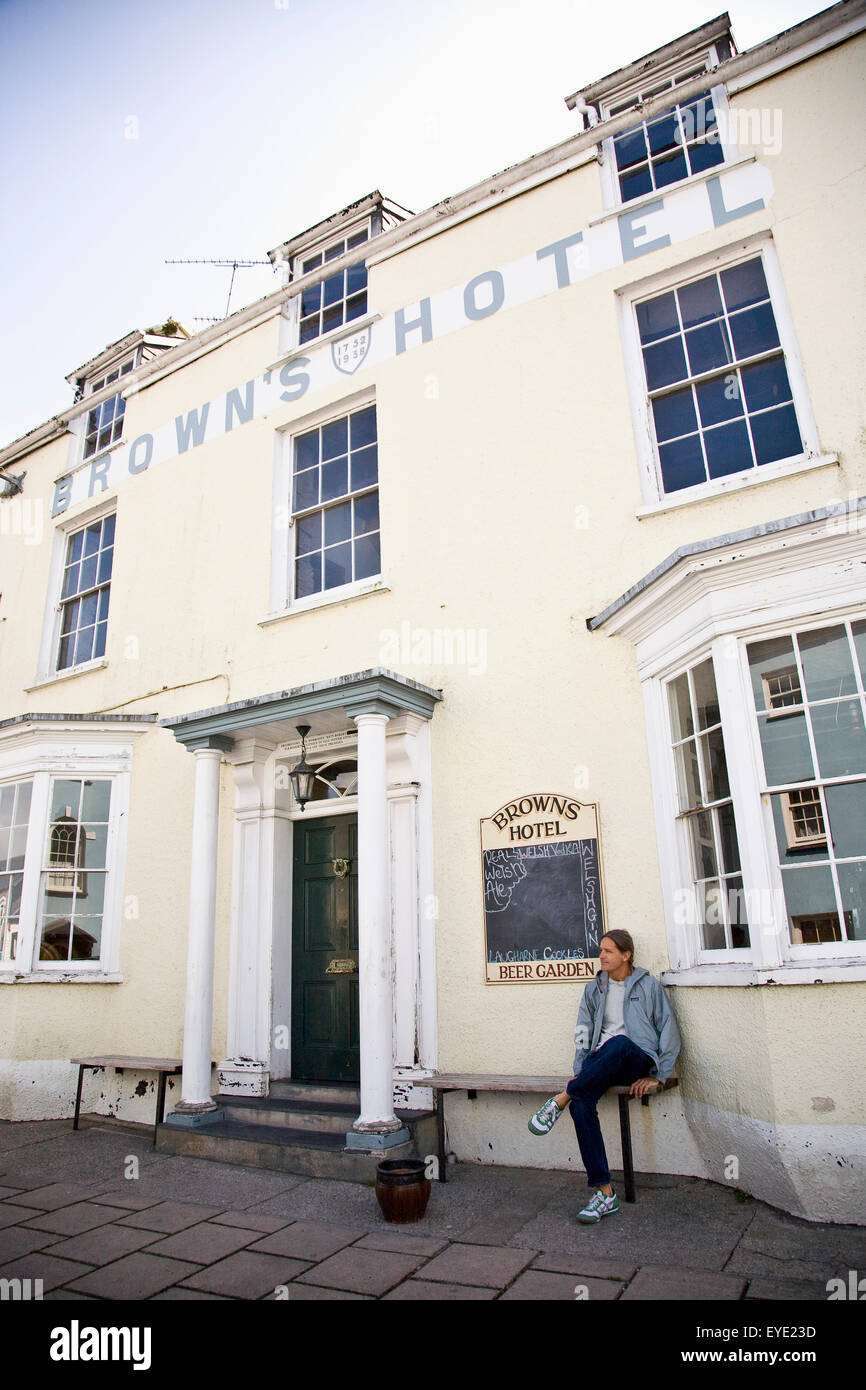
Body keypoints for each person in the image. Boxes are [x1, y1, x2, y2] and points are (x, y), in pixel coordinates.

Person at [527, 930, 680, 1223]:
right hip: (601, 1062)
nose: (602, 956)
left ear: (626, 955)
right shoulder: (594, 989)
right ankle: (605, 1193)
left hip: (635, 1057)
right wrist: (581, 1070)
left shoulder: (649, 987)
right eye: (601, 951)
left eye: (609, 951)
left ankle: (561, 1098)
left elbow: (669, 1033)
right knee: (581, 1106)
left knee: (619, 1043)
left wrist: (659, 1076)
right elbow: (583, 1032)